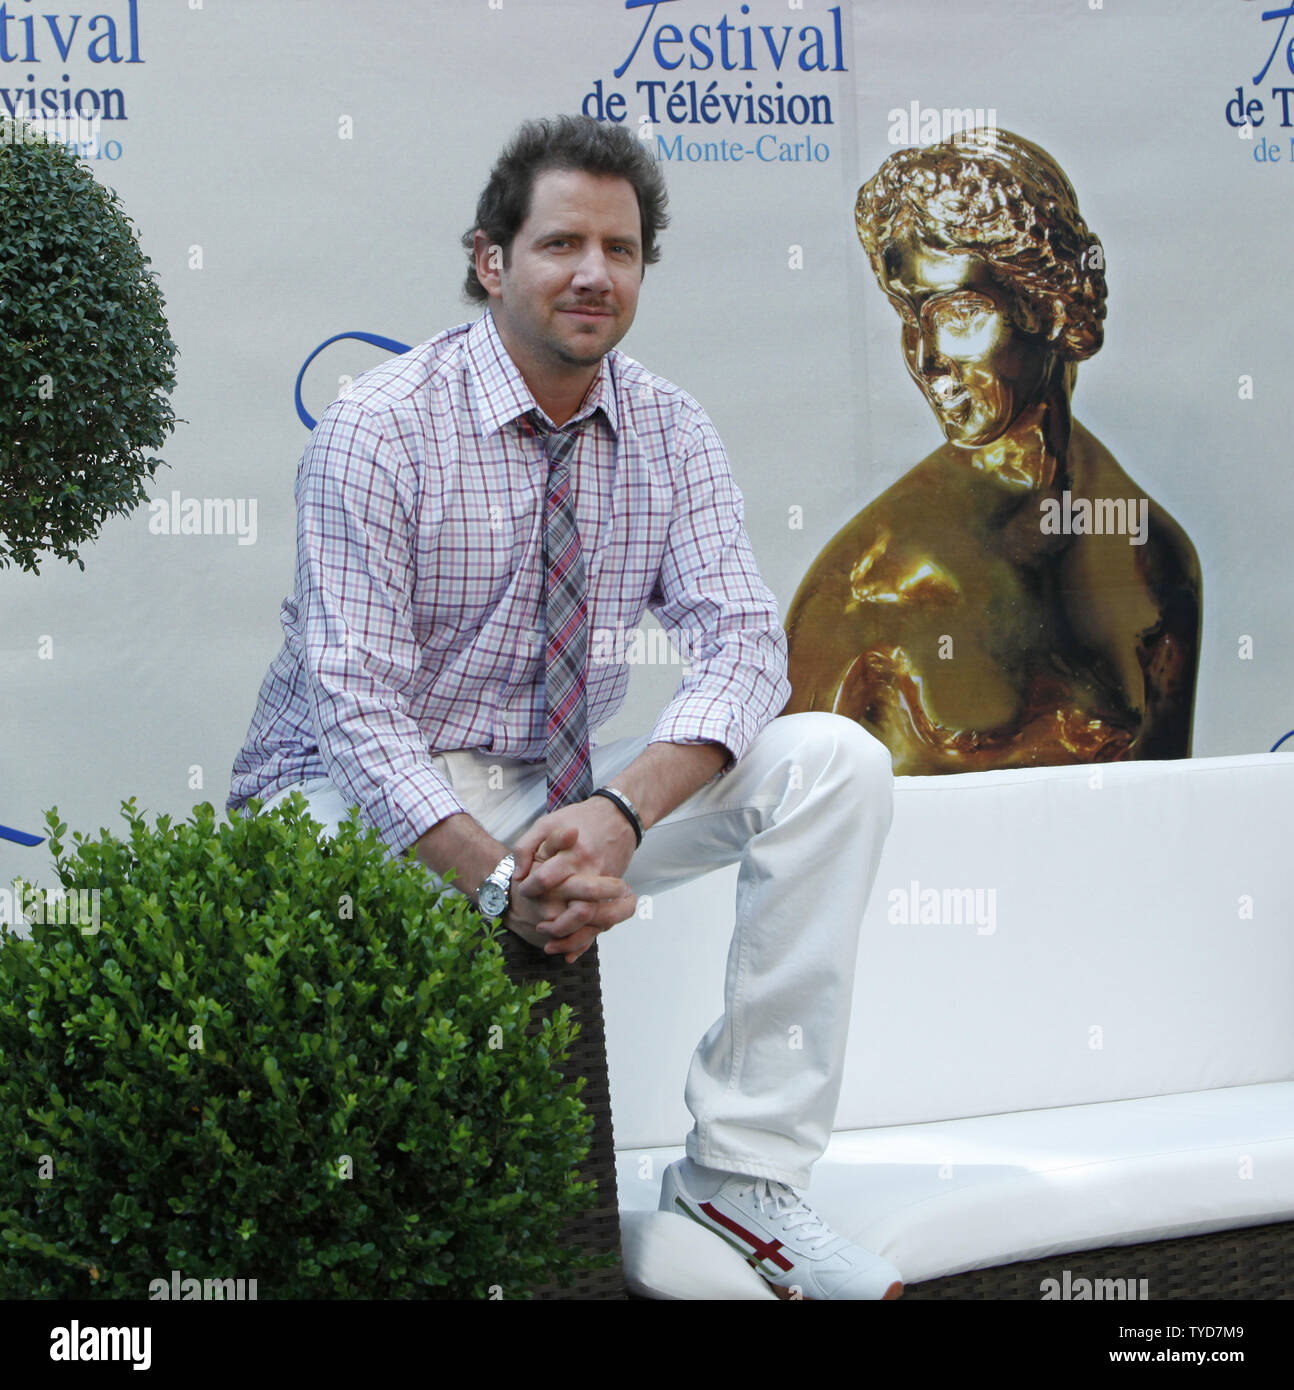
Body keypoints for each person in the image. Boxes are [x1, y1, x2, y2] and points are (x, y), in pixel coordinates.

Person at [227, 114, 897, 1301]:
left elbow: (744, 648)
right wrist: (502, 882)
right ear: (491, 259)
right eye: (560, 244)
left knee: (832, 761)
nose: (594, 273)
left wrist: (620, 816)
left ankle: (739, 1173)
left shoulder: (670, 429)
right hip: (339, 796)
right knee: (350, 823)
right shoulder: (380, 428)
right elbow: (354, 707)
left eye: (622, 249)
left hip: (562, 788)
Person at [783, 129, 1201, 774]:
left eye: (957, 313)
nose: (925, 359)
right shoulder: (867, 589)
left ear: (1052, 305)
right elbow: (787, 838)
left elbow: (1172, 821)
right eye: (906, 315)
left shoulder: (1153, 555)